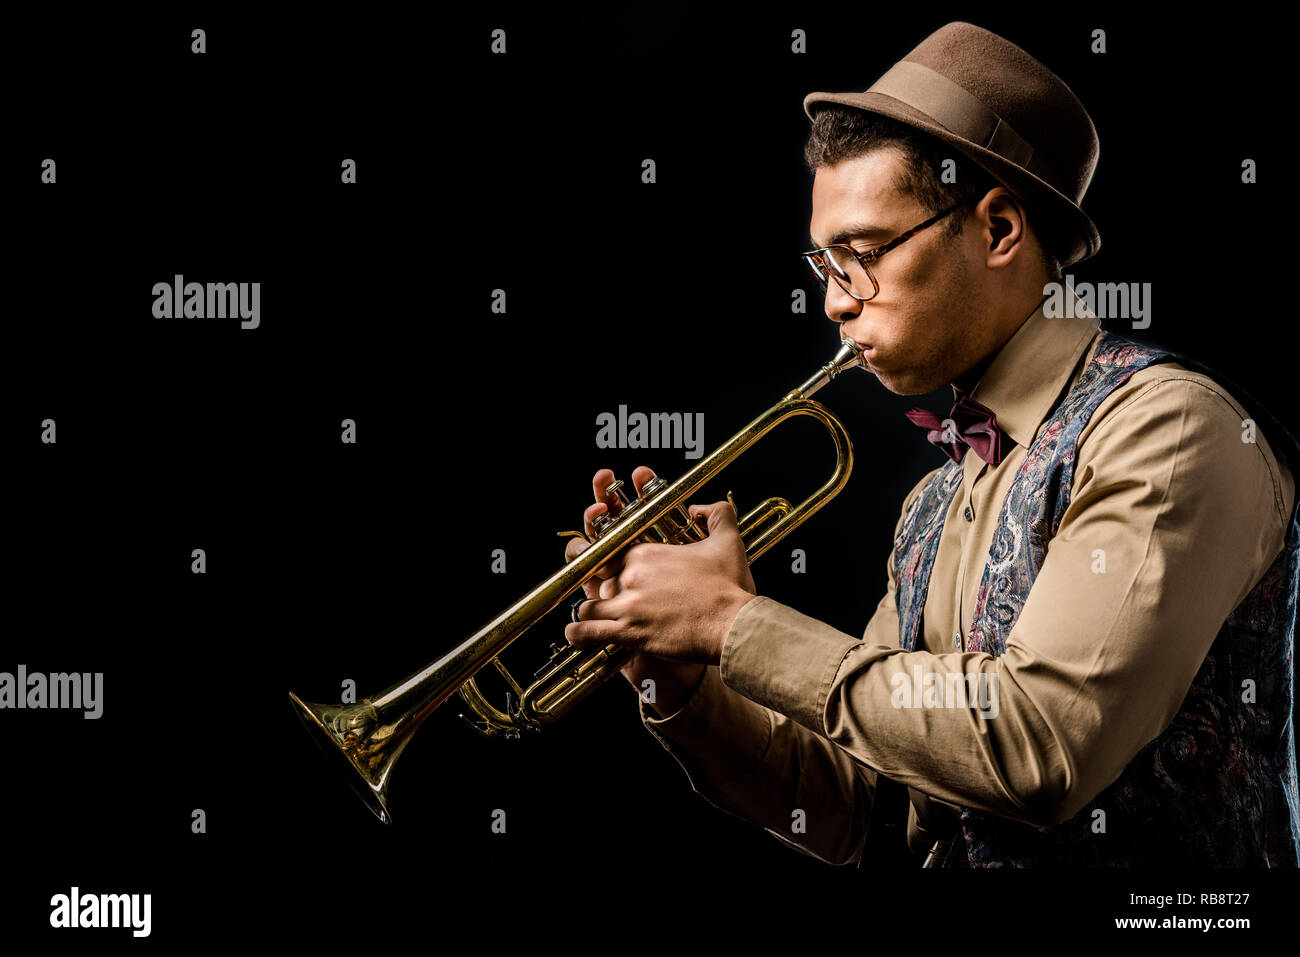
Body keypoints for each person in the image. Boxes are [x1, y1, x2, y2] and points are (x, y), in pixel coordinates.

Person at [563, 21, 1300, 867]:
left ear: (997, 231)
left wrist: (734, 621)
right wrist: (682, 675)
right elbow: (850, 803)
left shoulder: (1168, 429)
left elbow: (1039, 750)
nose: (836, 303)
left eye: (865, 254)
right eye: (824, 264)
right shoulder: (937, 497)